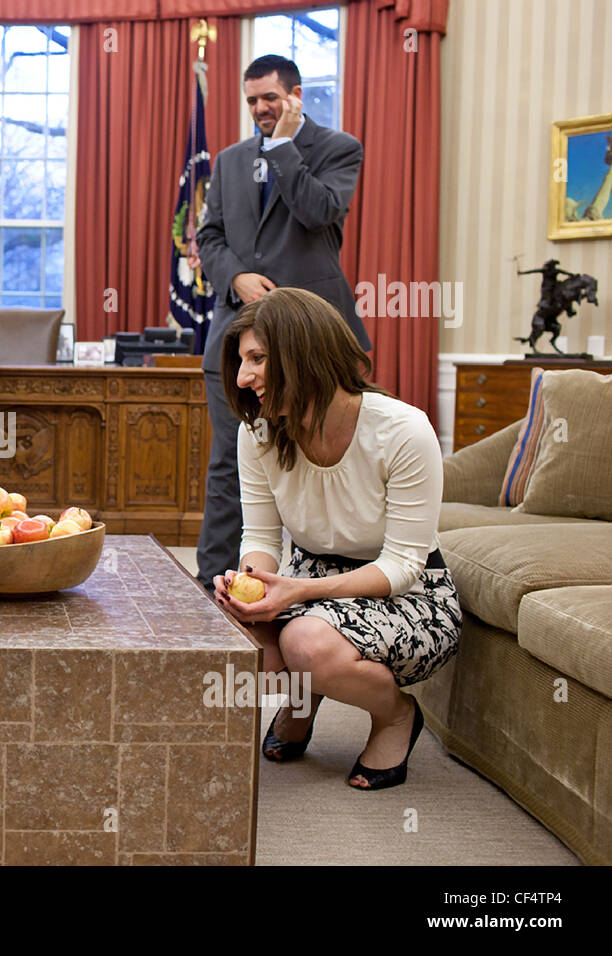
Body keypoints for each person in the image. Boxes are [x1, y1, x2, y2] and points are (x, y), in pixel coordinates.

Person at [212, 288, 460, 791]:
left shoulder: (404, 431)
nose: (242, 378)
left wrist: (298, 593)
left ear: (304, 353)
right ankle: (308, 693)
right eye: (242, 361)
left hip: (407, 595)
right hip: (307, 578)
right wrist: (251, 581)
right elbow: (260, 534)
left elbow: (402, 566)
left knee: (305, 642)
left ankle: (395, 716)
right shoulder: (257, 432)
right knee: (239, 644)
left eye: (257, 359)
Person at [195, 54, 371, 594]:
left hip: (313, 341)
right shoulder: (228, 160)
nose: (259, 109)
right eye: (251, 101)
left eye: (269, 98)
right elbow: (209, 238)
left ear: (294, 95)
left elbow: (319, 211)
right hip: (236, 338)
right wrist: (238, 278)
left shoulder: (338, 149)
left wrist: (284, 150)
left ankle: (301, 585)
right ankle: (212, 589)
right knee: (230, 463)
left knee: (314, 459)